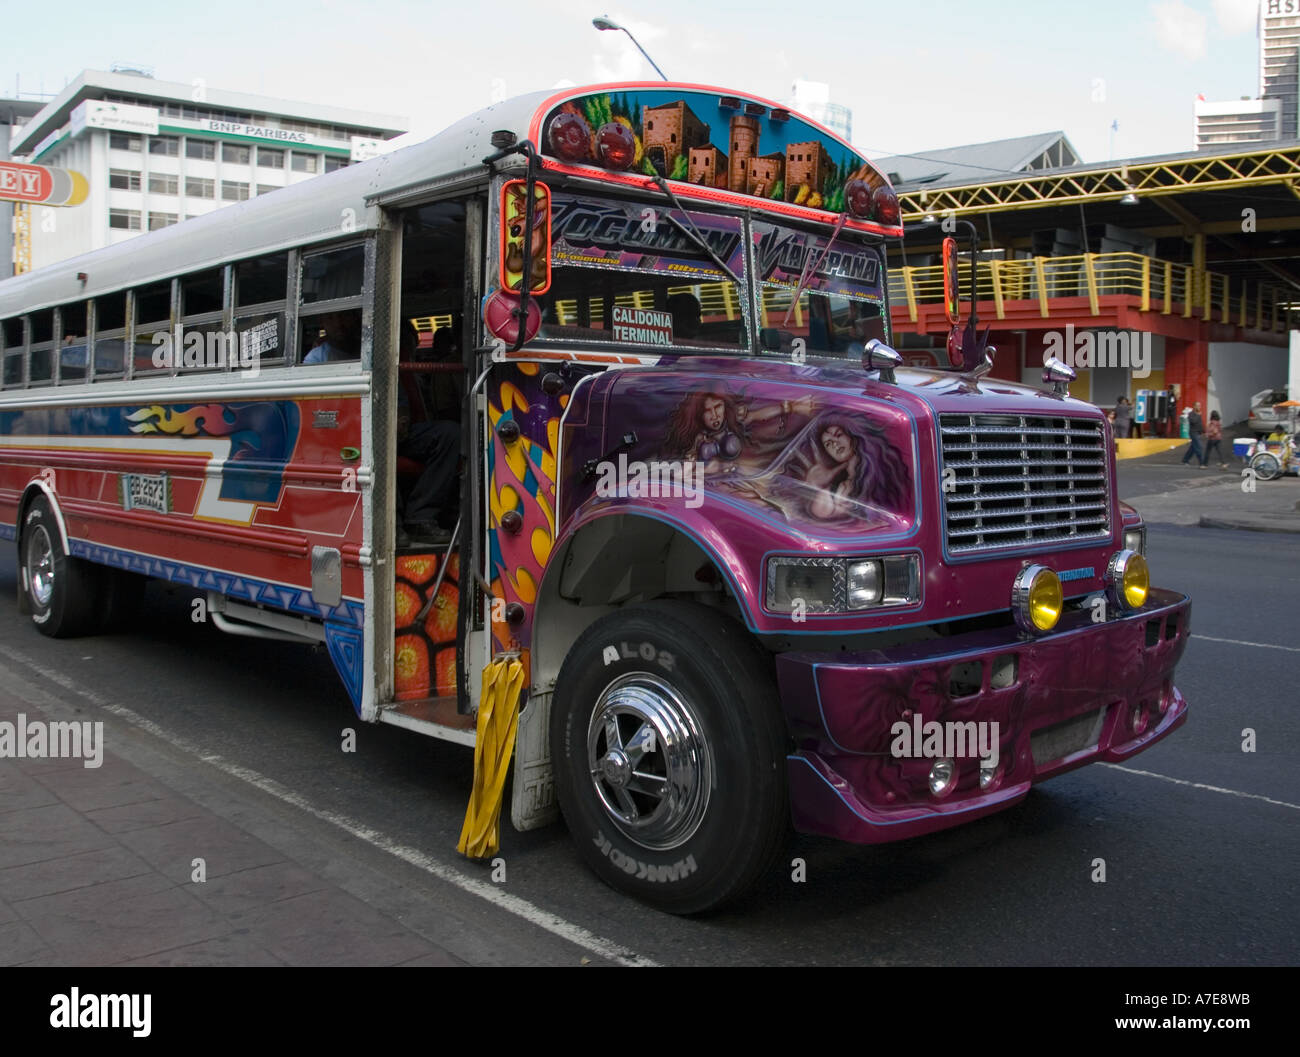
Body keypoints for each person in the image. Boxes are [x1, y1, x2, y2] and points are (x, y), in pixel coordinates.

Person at [396, 320, 460, 545]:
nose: (407, 341)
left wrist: (402, 419)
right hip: (381, 430)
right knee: (380, 437)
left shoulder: (413, 368)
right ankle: (391, 522)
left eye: (409, 336)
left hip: (408, 428)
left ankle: (420, 517)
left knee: (450, 434)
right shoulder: (318, 358)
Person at [1182, 401, 1206, 467]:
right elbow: (1193, 421)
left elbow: (1200, 423)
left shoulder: (1199, 414)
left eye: (1200, 406)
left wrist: (1203, 431)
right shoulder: (1191, 414)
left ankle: (1185, 459)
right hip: (1193, 433)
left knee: (1193, 448)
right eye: (1197, 406)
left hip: (1198, 433)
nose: (1199, 407)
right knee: (1199, 447)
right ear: (1194, 406)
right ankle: (1201, 463)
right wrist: (1198, 415)